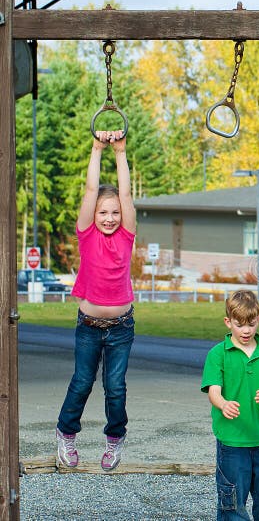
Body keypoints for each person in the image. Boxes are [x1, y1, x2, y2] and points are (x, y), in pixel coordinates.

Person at [56, 130, 136, 471]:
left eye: (114, 212)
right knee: (82, 382)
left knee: (115, 388)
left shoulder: (126, 235)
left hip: (121, 327)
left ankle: (114, 440)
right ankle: (65, 432)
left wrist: (120, 152)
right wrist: (96, 148)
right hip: (88, 327)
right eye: (104, 212)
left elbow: (127, 192)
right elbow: (91, 189)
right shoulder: (87, 234)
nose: (109, 218)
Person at [201, 290, 259, 521]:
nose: (246, 330)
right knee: (233, 508)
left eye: (251, 324)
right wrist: (223, 404)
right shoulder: (217, 354)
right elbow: (213, 392)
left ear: (258, 319)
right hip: (232, 443)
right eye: (240, 325)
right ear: (228, 322)